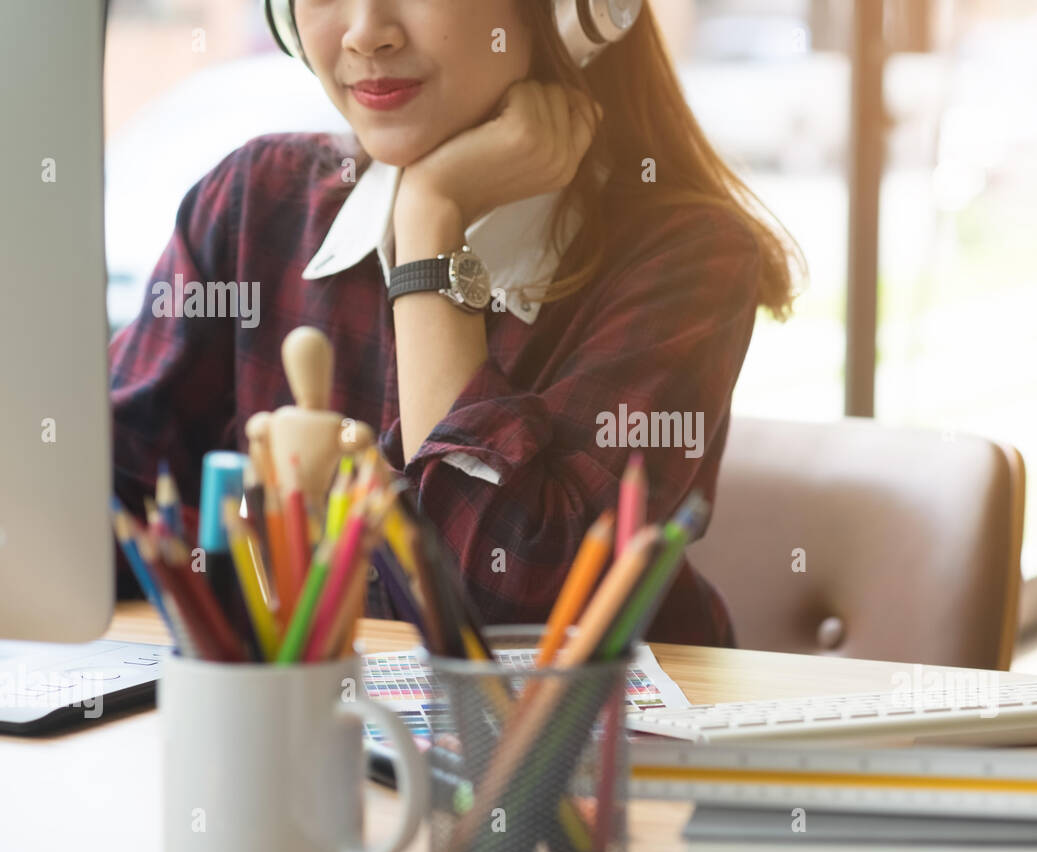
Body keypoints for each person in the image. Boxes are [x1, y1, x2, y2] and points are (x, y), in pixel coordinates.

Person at [109, 0, 802, 646]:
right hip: (306, 749)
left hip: (576, 763)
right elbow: (97, 514)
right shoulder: (255, 201)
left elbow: (495, 610)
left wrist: (430, 225)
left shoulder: (684, 257)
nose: (363, 31)